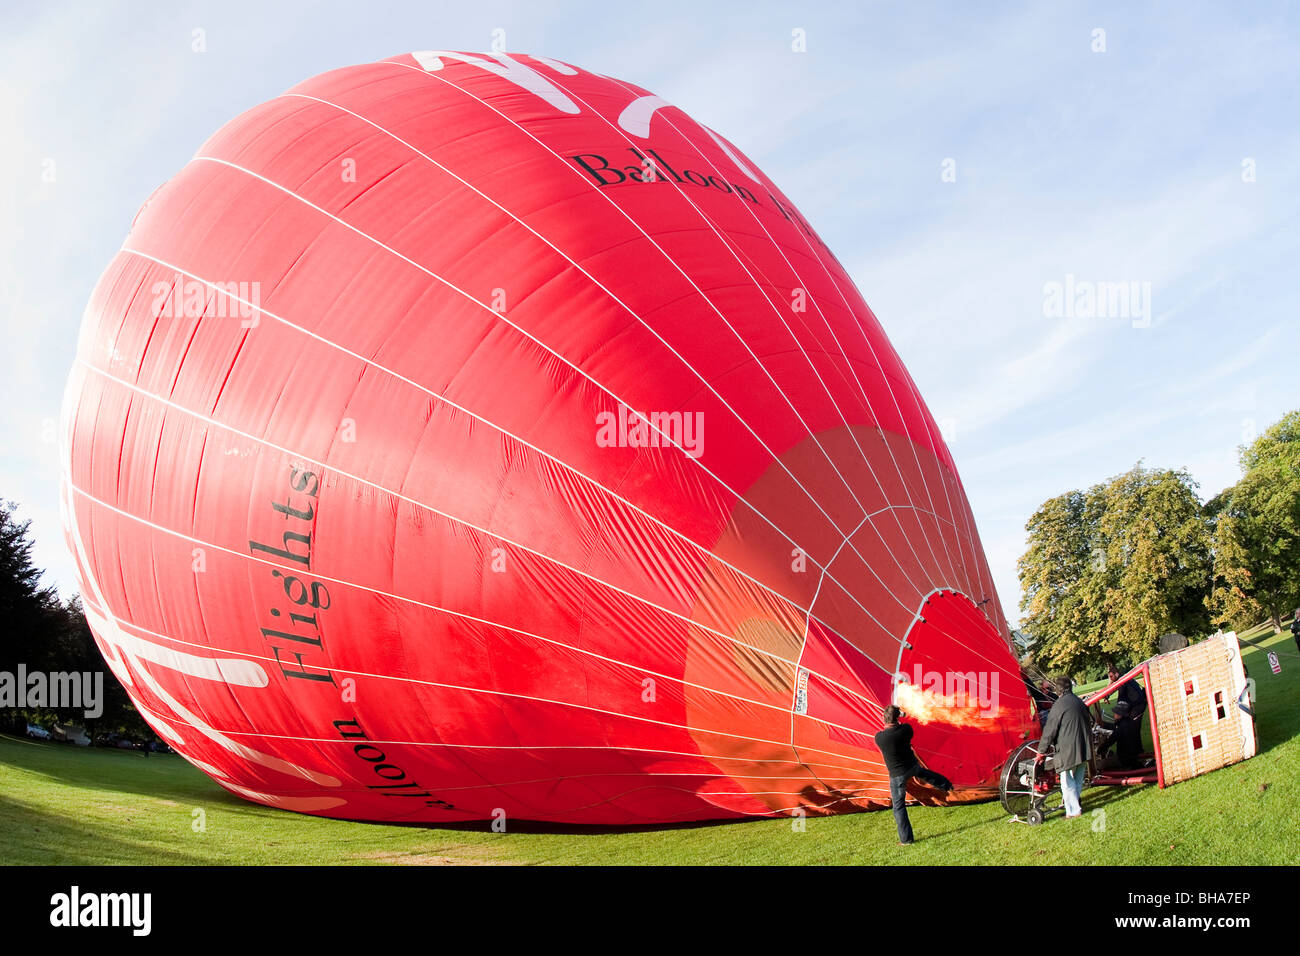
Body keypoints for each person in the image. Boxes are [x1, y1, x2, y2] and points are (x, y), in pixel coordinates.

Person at [873, 705, 953, 845]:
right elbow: (906, 730)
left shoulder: (880, 738)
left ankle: (906, 839)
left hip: (897, 775)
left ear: (884, 719)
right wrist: (901, 718)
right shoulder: (906, 730)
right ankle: (948, 785)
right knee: (926, 774)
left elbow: (885, 732)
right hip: (911, 766)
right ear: (898, 718)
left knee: (898, 806)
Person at [1037, 675, 1093, 818]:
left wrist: (1041, 751)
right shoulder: (1079, 702)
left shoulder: (1059, 705)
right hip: (1084, 747)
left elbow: (1049, 730)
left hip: (1067, 750)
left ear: (1058, 690)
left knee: (1066, 781)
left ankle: (1073, 811)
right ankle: (1076, 805)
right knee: (1078, 779)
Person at [1098, 699, 1142, 769]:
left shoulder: (1121, 727)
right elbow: (1115, 728)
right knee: (1111, 754)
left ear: (1120, 715)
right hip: (1133, 755)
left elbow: (1111, 740)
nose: (1114, 714)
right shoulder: (1129, 722)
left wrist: (1099, 749)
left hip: (1124, 759)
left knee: (1100, 765)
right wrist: (1105, 724)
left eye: (1116, 713)